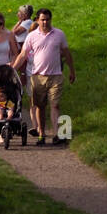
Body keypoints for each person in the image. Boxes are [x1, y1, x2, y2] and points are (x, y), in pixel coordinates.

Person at [13, 8, 75, 146]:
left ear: (50, 20)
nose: (45, 22)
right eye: (42, 19)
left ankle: (57, 134)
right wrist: (13, 69)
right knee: (40, 107)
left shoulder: (59, 34)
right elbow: (23, 55)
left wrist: (72, 71)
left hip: (56, 76)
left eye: (47, 19)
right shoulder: (32, 36)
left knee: (55, 105)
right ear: (37, 20)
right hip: (37, 76)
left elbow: (66, 53)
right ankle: (41, 134)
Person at [12, 4, 35, 98]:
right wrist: (19, 22)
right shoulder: (23, 22)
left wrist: (19, 23)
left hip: (22, 46)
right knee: (21, 68)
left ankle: (21, 88)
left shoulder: (28, 22)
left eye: (20, 12)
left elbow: (15, 32)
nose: (18, 14)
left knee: (22, 68)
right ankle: (19, 87)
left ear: (25, 14)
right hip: (18, 46)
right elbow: (12, 32)